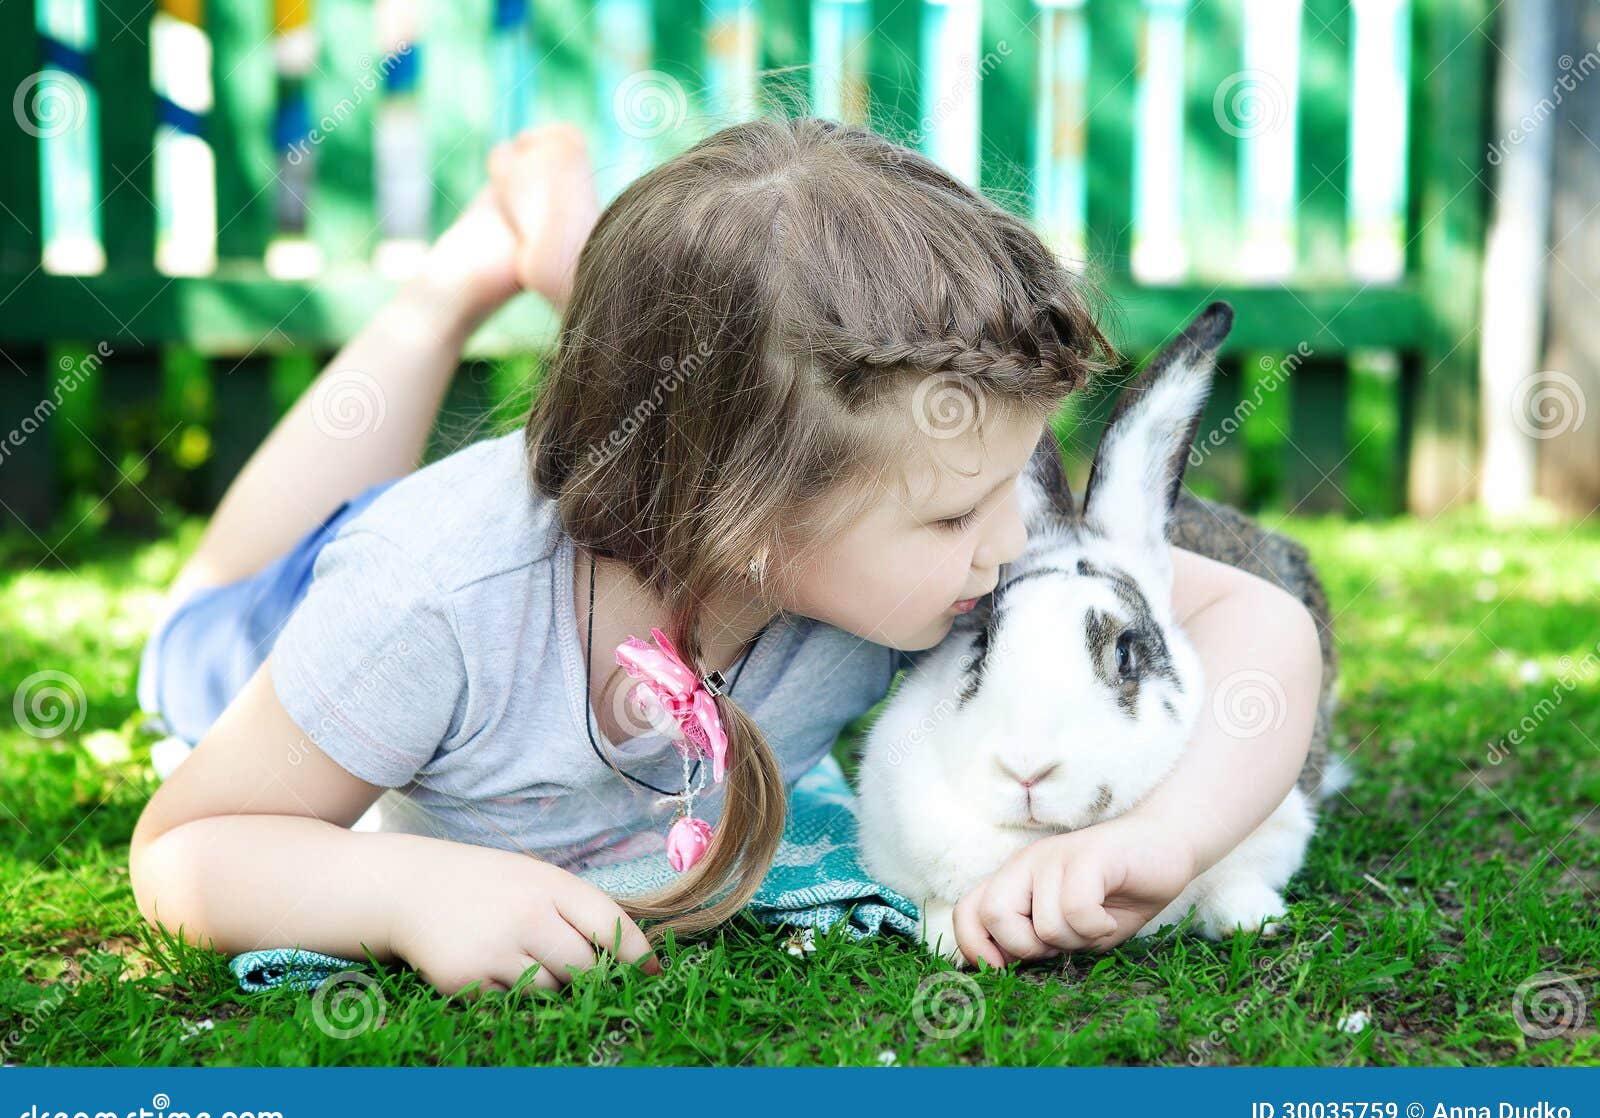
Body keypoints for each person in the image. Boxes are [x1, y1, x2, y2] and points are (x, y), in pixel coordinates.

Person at [128, 117, 1323, 999]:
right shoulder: (426, 607)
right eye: (958, 514)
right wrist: (403, 890)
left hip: (670, 457)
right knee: (198, 621)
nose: (1014, 548)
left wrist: (1164, 845)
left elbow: (1260, 622)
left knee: (706, 375)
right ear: (754, 520)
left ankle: (563, 263)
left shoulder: (925, 543)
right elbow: (189, 845)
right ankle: (457, 282)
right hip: (327, 592)